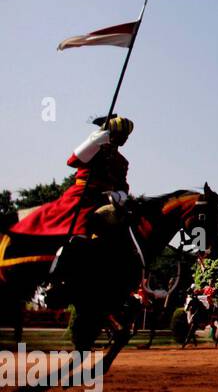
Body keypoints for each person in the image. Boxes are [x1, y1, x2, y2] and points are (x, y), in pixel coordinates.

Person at [11, 115, 135, 294]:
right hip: (83, 196)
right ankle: (58, 272)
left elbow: (124, 186)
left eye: (127, 136)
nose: (125, 139)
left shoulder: (122, 162)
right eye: (122, 134)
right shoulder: (96, 147)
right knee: (79, 230)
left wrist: (118, 194)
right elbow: (73, 161)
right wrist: (95, 141)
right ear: (111, 133)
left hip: (107, 201)